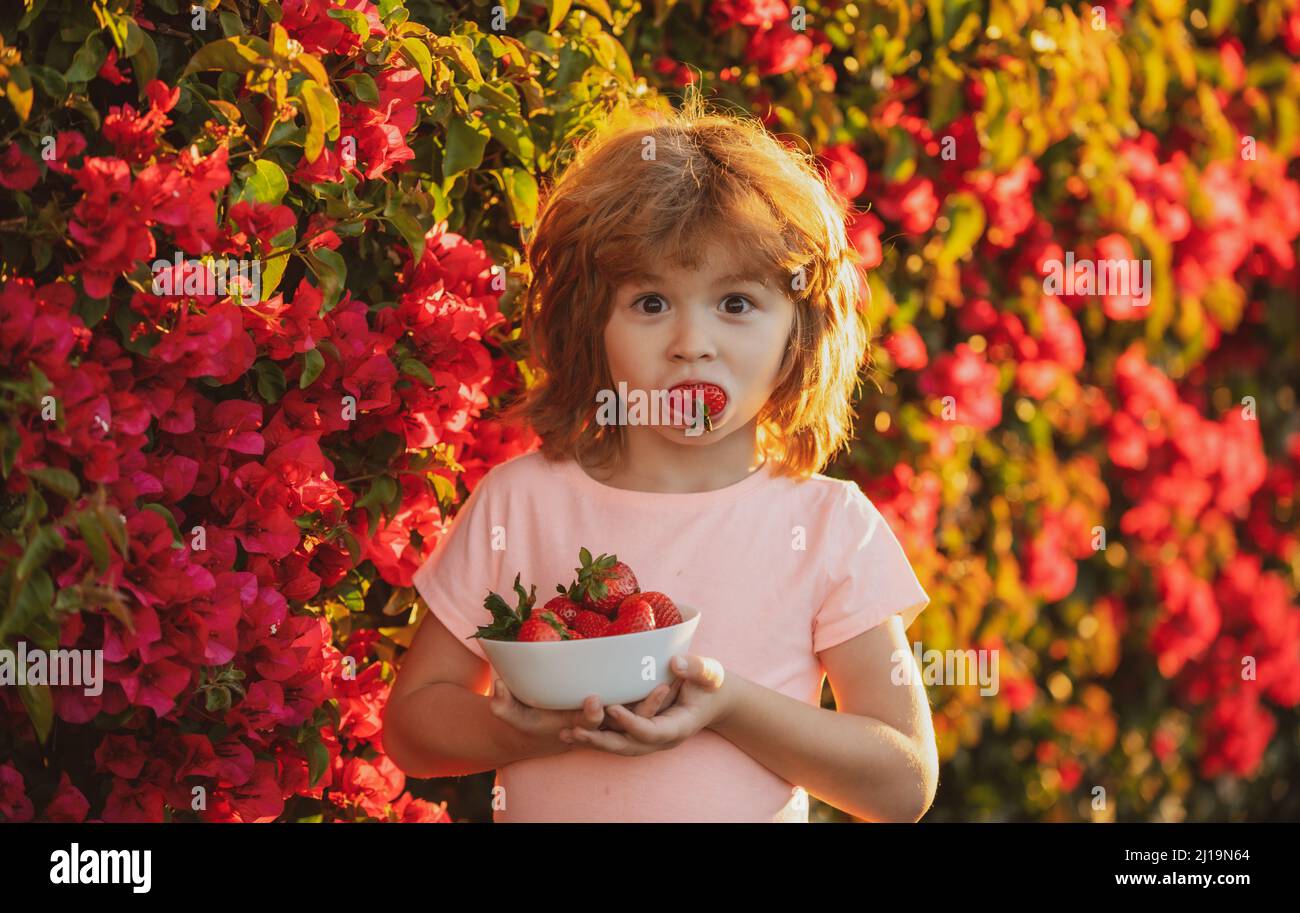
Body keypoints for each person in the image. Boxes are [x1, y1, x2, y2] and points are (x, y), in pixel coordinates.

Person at [381, 92, 936, 823]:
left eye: (735, 303)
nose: (690, 341)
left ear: (797, 335)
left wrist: (728, 704)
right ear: (590, 325)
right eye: (650, 303)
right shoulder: (521, 502)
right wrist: (530, 728)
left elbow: (901, 783)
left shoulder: (827, 524)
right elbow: (412, 727)